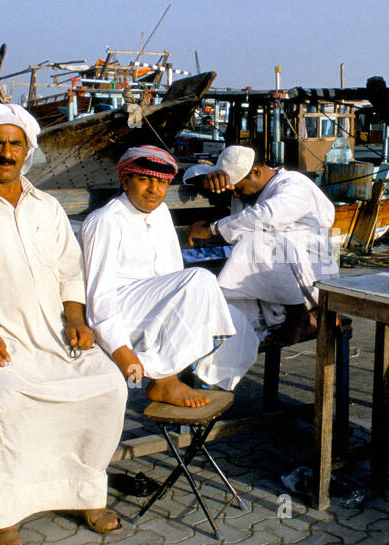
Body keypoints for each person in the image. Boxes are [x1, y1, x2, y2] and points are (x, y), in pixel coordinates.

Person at [0, 104, 129, 545]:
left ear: (28, 151)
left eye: (15, 144)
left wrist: (77, 319)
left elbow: (69, 270)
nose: (5, 152)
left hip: (55, 333)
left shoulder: (48, 206)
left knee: (107, 384)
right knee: (11, 398)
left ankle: (82, 491)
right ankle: (3, 515)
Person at [81, 144, 259, 409]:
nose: (155, 190)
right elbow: (100, 297)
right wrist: (122, 352)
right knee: (200, 279)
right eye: (144, 180)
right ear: (126, 180)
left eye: (162, 183)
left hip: (156, 310)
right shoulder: (105, 220)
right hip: (123, 315)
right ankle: (163, 378)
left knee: (240, 323)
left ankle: (210, 382)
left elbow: (173, 273)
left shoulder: (161, 213)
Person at [185, 145, 338, 345]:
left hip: (313, 279)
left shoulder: (294, 185)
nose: (236, 196)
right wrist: (208, 177)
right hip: (276, 285)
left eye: (238, 189)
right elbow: (192, 173)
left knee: (256, 241)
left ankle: (298, 316)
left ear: (256, 171)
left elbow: (267, 216)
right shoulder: (250, 189)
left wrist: (213, 229)